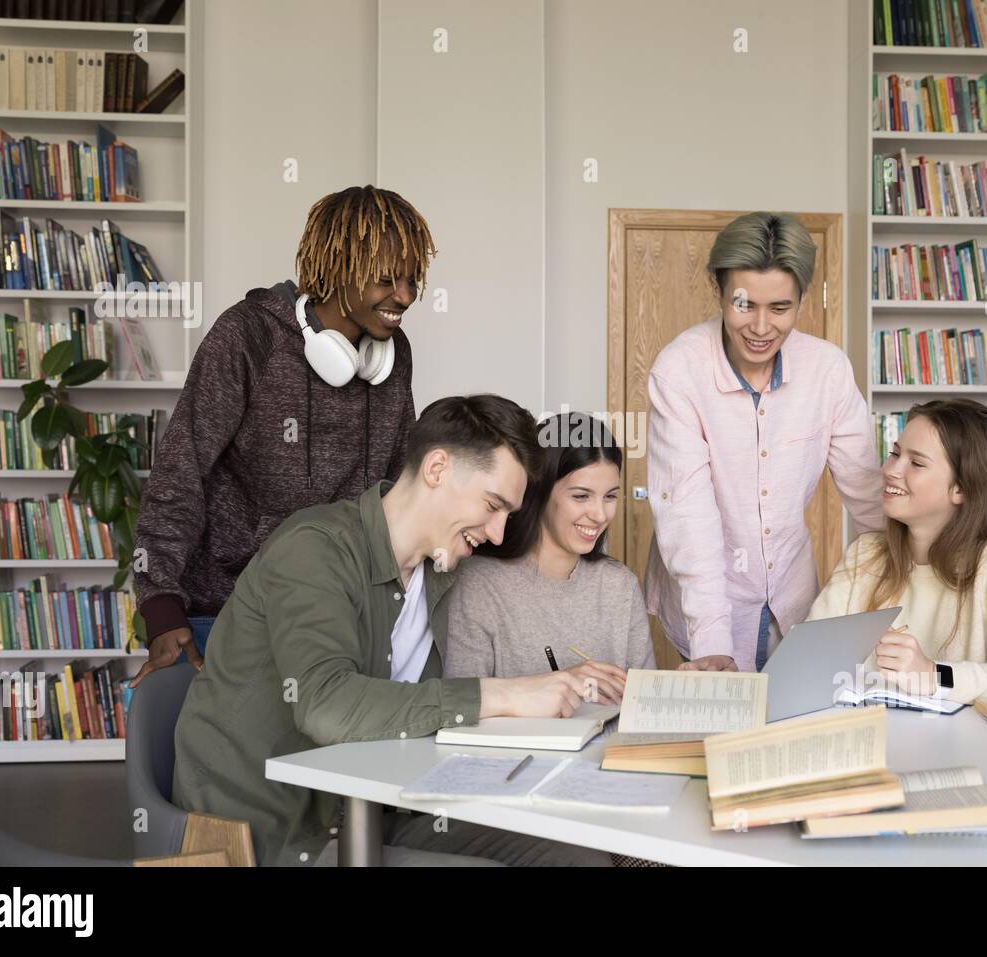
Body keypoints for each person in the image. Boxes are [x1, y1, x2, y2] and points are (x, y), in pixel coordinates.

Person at [172, 394, 611, 866]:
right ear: (437, 468)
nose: (498, 533)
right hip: (273, 830)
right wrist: (502, 695)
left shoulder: (442, 572)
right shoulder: (315, 549)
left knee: (574, 855)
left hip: (378, 808)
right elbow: (324, 705)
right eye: (492, 505)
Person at [131, 186, 435, 685]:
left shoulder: (390, 356)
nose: (404, 296)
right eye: (386, 279)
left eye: (411, 279)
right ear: (338, 270)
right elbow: (181, 468)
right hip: (227, 613)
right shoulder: (247, 336)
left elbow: (398, 484)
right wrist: (161, 603)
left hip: (339, 612)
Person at [645, 211, 884, 672]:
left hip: (792, 599)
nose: (760, 327)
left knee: (789, 729)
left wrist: (910, 591)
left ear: (801, 301)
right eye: (744, 305)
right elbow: (688, 513)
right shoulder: (680, 371)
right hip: (705, 602)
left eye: (779, 308)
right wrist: (712, 640)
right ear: (718, 292)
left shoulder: (827, 371)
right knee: (720, 732)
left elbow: (870, 498)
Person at [807, 399, 987, 704]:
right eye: (894, 454)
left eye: (916, 463)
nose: (891, 470)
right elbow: (806, 662)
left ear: (961, 488)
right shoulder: (865, 553)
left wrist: (933, 675)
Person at [445, 412, 655, 693]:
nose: (600, 514)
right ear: (539, 492)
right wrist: (558, 685)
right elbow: (459, 705)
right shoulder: (479, 585)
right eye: (581, 496)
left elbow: (644, 704)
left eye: (611, 496)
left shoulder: (620, 586)